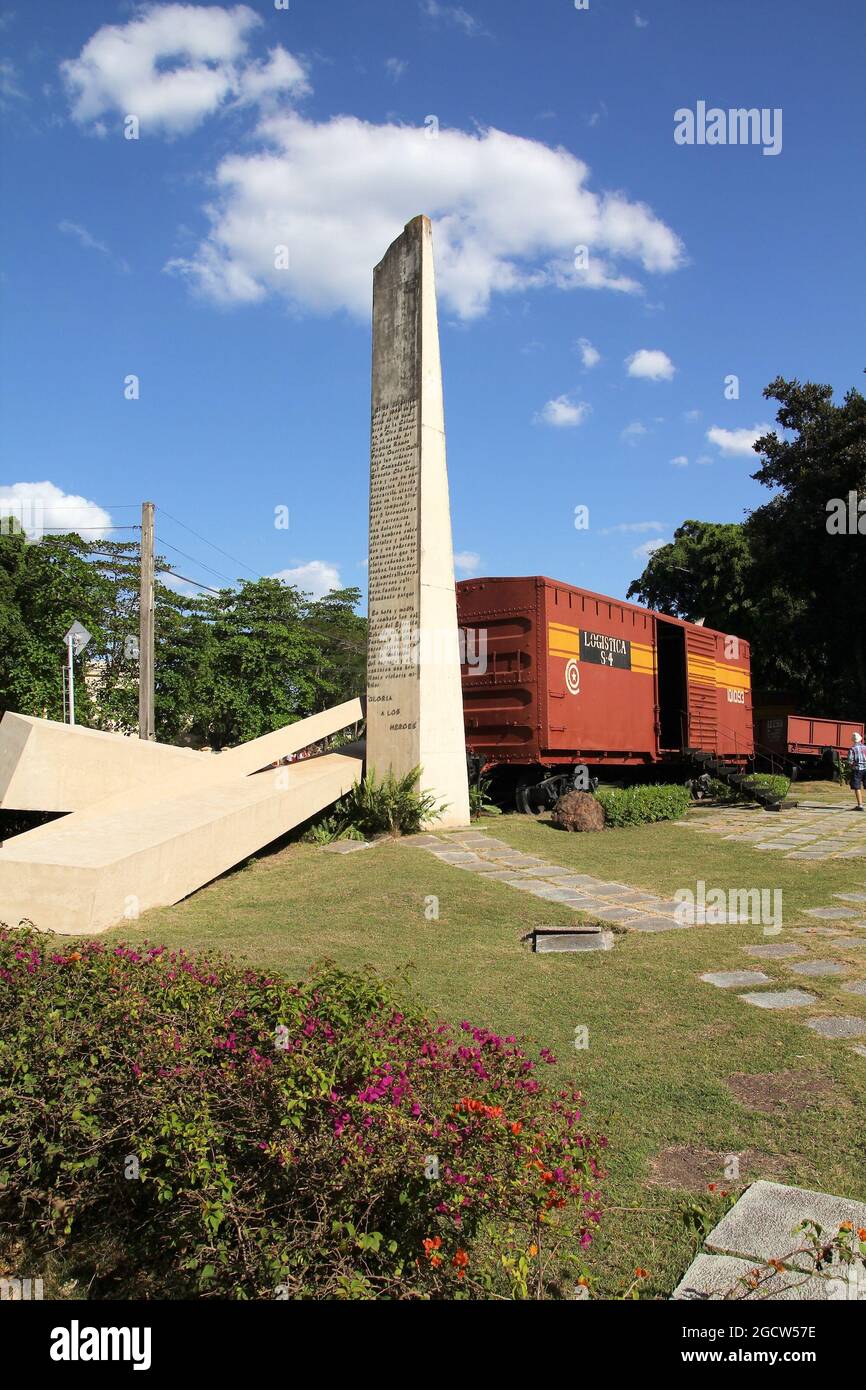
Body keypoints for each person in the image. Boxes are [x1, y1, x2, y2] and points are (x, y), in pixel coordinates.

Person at [849, 731, 866, 811]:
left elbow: (850, 761)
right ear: (860, 740)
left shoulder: (852, 749)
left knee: (857, 787)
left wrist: (851, 766)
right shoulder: (865, 747)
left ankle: (860, 805)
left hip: (857, 769)